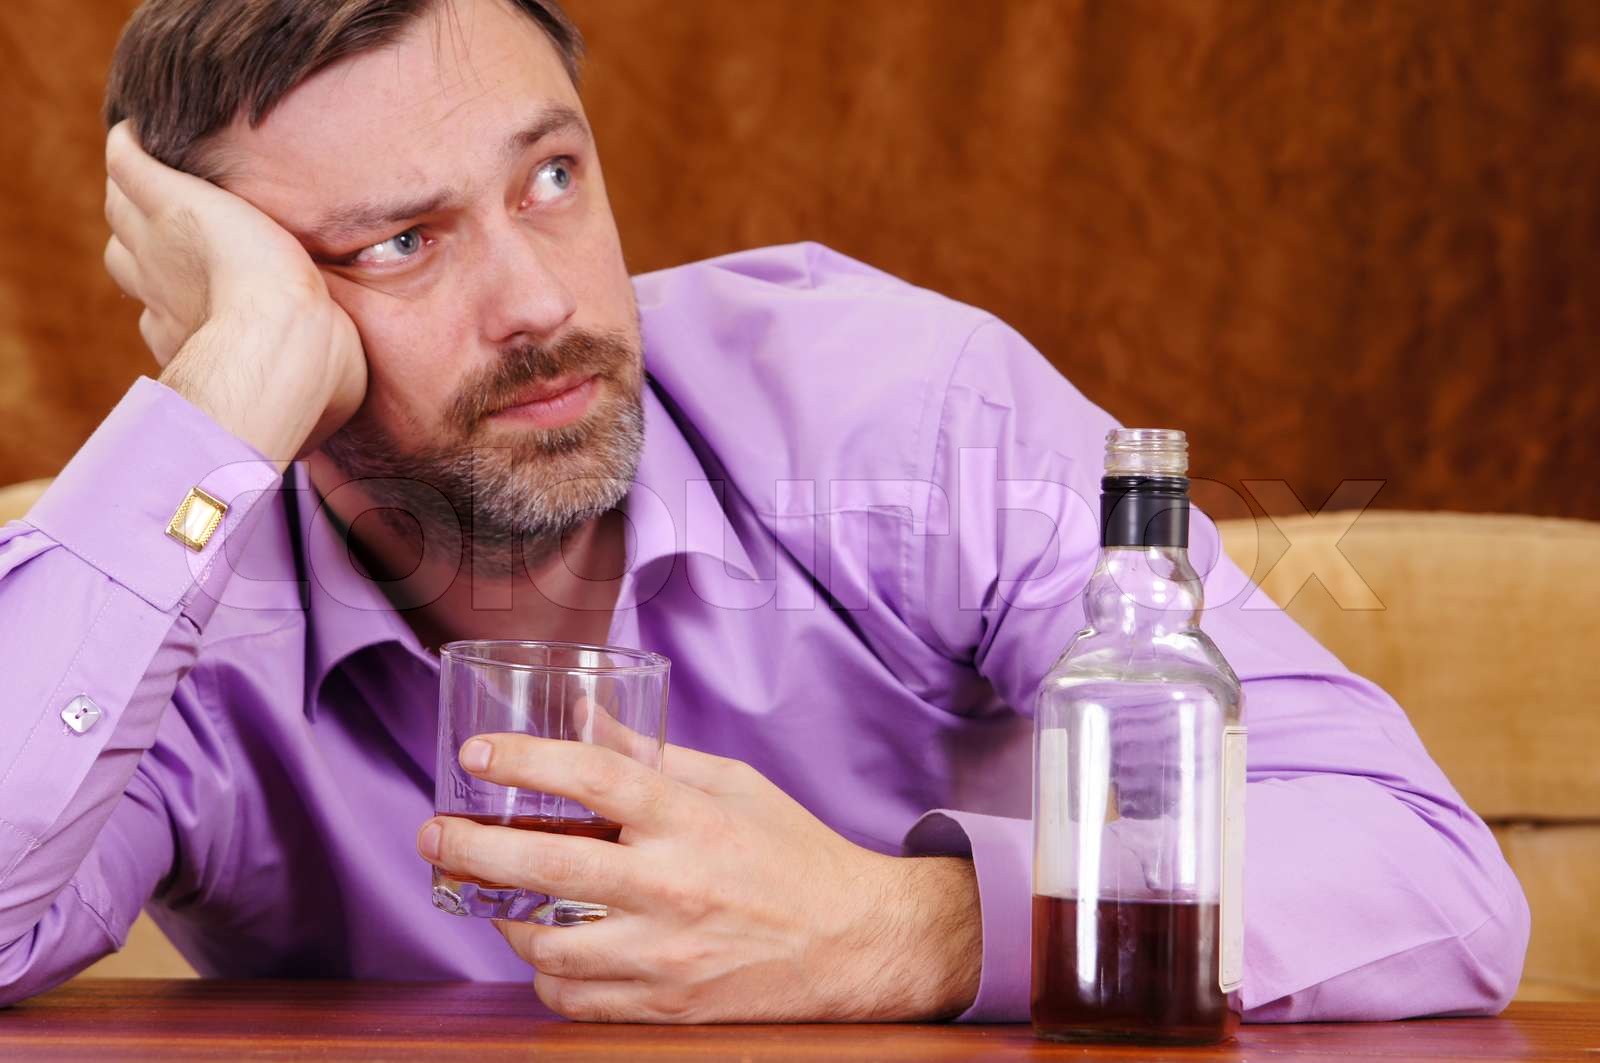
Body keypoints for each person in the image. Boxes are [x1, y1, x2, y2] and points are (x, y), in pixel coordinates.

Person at [0, 0, 1527, 1023]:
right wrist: (231, 386)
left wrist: (918, 932)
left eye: (548, 178)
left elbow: (1424, 872)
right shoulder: (167, 599)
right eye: (397, 242)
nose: (538, 302)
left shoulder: (900, 414)